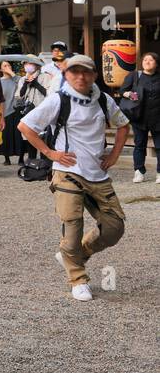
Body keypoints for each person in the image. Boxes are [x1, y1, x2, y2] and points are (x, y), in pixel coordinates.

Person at [18, 55, 129, 302]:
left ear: (94, 76)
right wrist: (50, 153)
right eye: (75, 72)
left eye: (86, 72)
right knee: (72, 225)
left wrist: (114, 154)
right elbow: (25, 126)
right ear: (66, 75)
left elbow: (123, 125)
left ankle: (79, 252)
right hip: (67, 171)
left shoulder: (103, 99)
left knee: (114, 228)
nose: (81, 77)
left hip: (98, 174)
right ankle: (77, 279)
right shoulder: (58, 99)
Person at [120, 51, 160, 183]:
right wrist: (130, 95)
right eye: (145, 60)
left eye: (151, 60)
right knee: (139, 145)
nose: (147, 62)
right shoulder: (134, 76)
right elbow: (122, 91)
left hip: (157, 117)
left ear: (156, 63)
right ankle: (139, 172)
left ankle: (159, 173)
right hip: (139, 117)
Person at [9, 60, 48, 166]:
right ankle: (32, 164)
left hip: (43, 112)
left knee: (43, 138)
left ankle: (45, 165)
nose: (28, 66)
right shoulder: (22, 79)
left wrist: (36, 84)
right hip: (28, 113)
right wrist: (25, 84)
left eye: (30, 63)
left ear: (37, 65)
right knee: (30, 138)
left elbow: (49, 94)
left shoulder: (45, 77)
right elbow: (19, 97)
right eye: (26, 64)